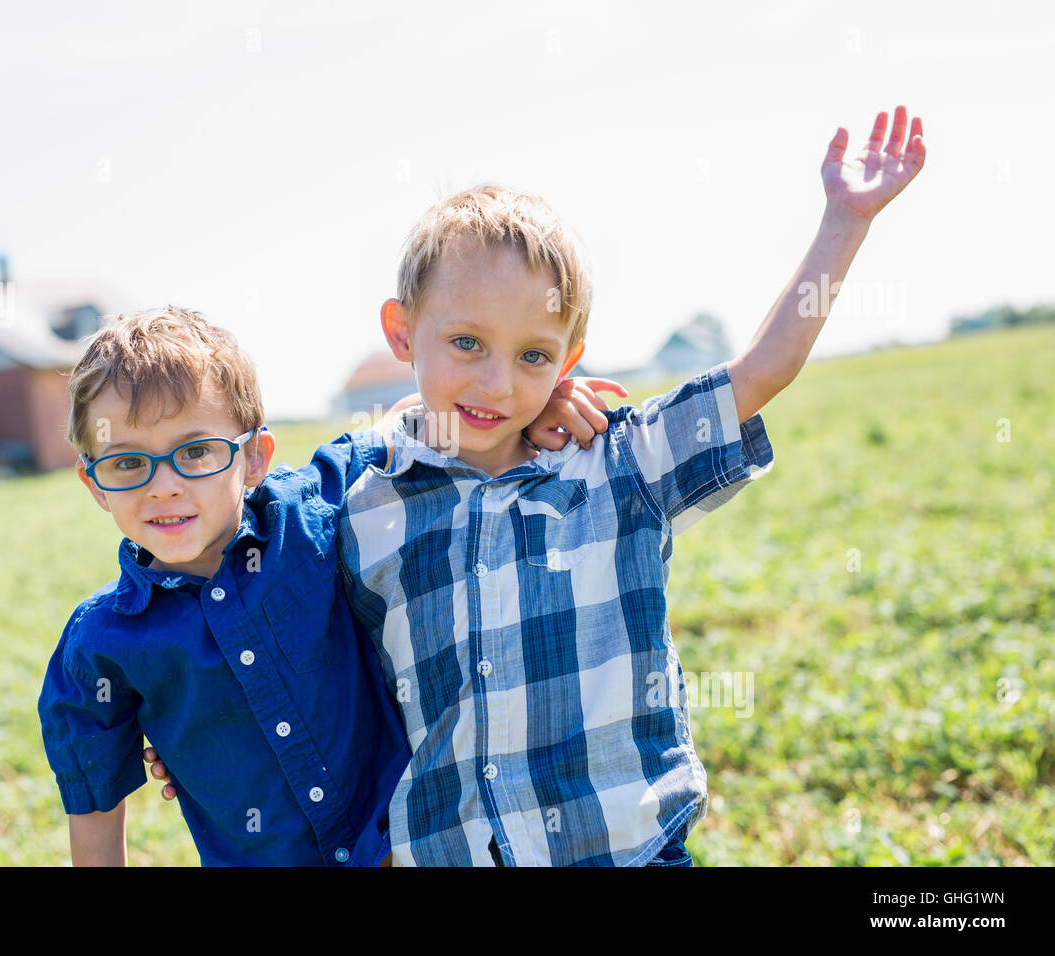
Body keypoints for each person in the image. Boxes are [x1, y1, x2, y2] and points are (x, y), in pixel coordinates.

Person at [333, 107, 926, 865]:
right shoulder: (365, 505)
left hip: (628, 848)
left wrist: (844, 221)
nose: (496, 382)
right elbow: (321, 670)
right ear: (401, 333)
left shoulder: (616, 462)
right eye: (466, 343)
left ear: (570, 359)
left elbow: (759, 373)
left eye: (532, 357)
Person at [39, 305, 620, 865]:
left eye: (196, 452)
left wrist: (536, 405)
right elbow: (93, 808)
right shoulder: (100, 646)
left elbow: (409, 423)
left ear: (256, 458)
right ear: (93, 483)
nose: (163, 486)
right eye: (125, 463)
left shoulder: (309, 510)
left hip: (417, 846)